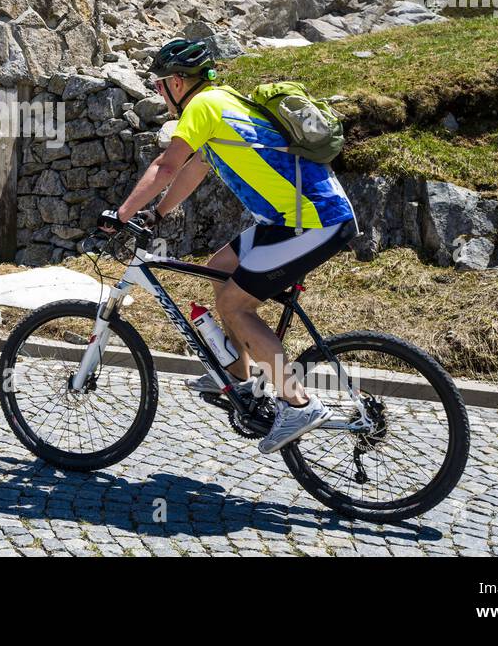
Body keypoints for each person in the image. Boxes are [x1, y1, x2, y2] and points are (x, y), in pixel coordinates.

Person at [99, 38, 358, 454]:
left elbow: (166, 165)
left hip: (316, 221)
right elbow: (193, 169)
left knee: (236, 307)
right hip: (289, 220)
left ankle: (298, 403)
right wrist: (158, 213)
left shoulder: (203, 106)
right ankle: (239, 373)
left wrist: (122, 213)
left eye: (160, 85)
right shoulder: (223, 102)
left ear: (177, 83)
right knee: (220, 268)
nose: (160, 93)